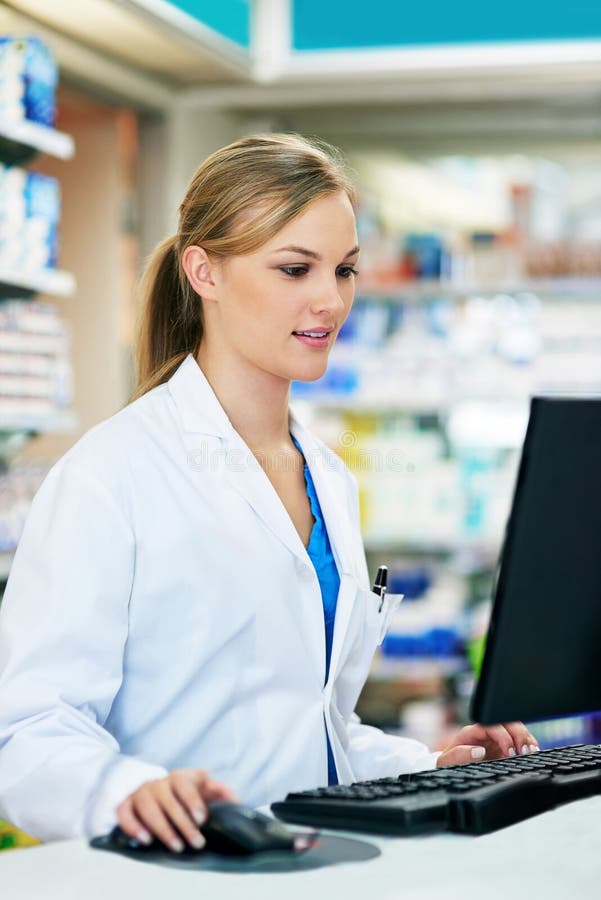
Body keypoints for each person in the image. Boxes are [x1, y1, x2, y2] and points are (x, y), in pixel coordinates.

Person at [0, 133, 538, 852]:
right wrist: (127, 792)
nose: (329, 300)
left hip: (312, 862)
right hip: (172, 873)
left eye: (343, 270)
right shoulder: (112, 474)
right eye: (294, 268)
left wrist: (429, 764)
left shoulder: (328, 477)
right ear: (204, 272)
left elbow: (317, 725)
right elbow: (28, 730)